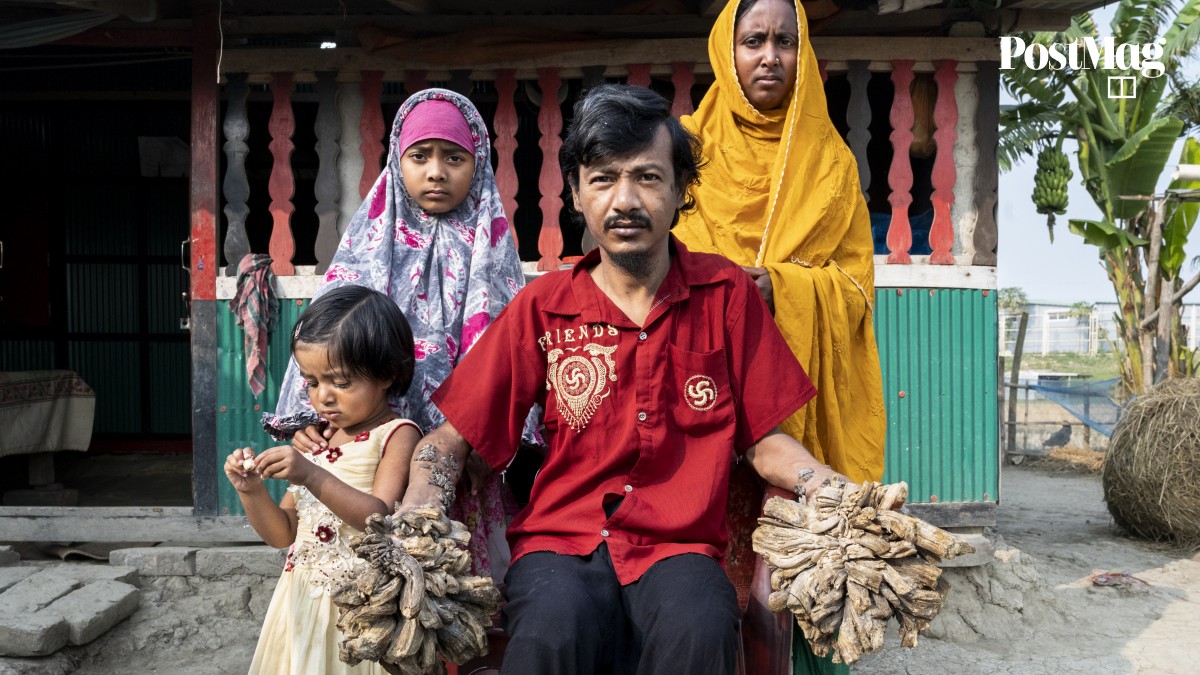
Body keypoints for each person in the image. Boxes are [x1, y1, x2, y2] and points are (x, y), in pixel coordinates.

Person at [394, 84, 848, 675]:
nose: (624, 200)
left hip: (679, 547)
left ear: (682, 190)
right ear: (578, 193)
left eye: (648, 177)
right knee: (546, 639)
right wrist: (419, 510)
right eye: (604, 178)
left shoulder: (727, 294)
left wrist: (836, 492)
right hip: (561, 543)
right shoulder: (543, 305)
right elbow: (454, 436)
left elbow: (765, 441)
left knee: (701, 627)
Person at [266, 88, 536, 582]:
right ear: (397, 160)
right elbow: (327, 342)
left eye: (454, 157)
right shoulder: (369, 241)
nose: (436, 171)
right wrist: (306, 420)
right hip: (370, 448)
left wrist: (482, 437)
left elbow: (511, 355)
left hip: (465, 459)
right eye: (420, 156)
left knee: (453, 588)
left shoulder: (492, 247)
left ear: (476, 164)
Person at [674, 0, 886, 487]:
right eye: (753, 41)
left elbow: (855, 286)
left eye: (784, 42)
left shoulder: (833, 162)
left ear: (802, 52)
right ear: (726, 52)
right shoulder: (684, 147)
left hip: (795, 379)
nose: (770, 56)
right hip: (694, 367)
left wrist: (783, 287)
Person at [226, 285, 421, 675]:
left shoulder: (397, 435)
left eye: (341, 383)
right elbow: (283, 534)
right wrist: (251, 491)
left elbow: (378, 518)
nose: (323, 398)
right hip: (301, 602)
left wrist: (311, 474)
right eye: (312, 383)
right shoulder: (316, 438)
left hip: (359, 608)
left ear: (386, 374)